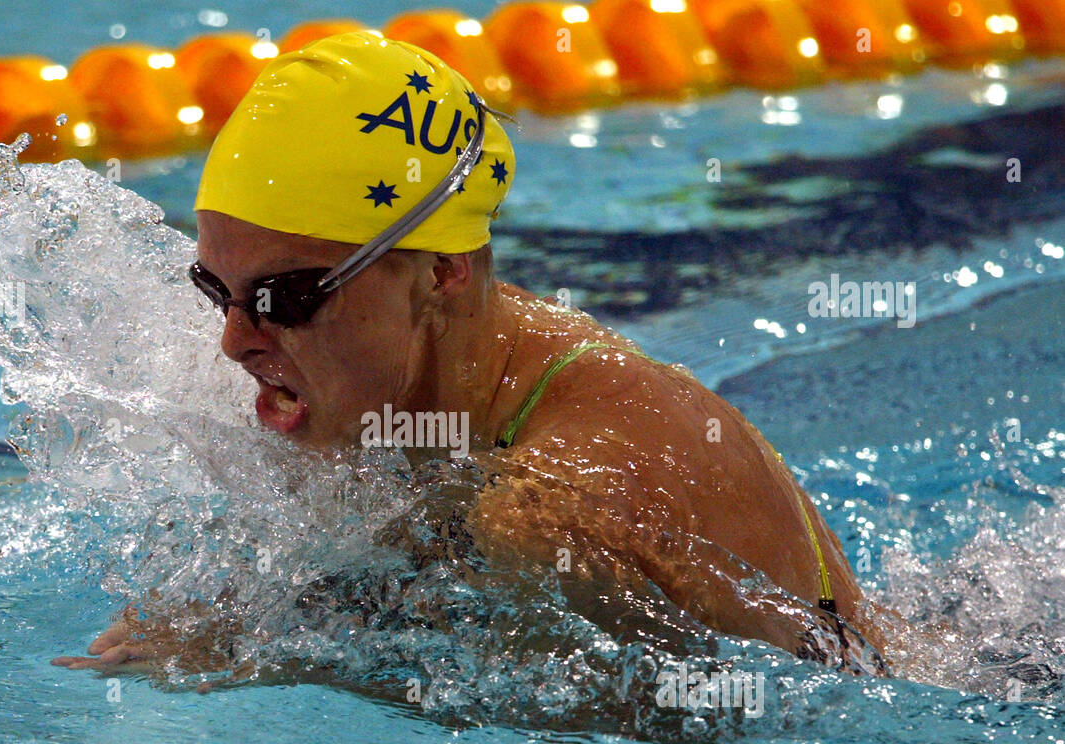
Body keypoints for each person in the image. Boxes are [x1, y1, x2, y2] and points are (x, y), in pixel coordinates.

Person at [54, 31, 894, 679]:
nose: (234, 340)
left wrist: (270, 654)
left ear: (440, 275)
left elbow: (672, 717)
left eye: (286, 300)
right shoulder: (421, 381)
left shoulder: (545, 510)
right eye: (216, 289)